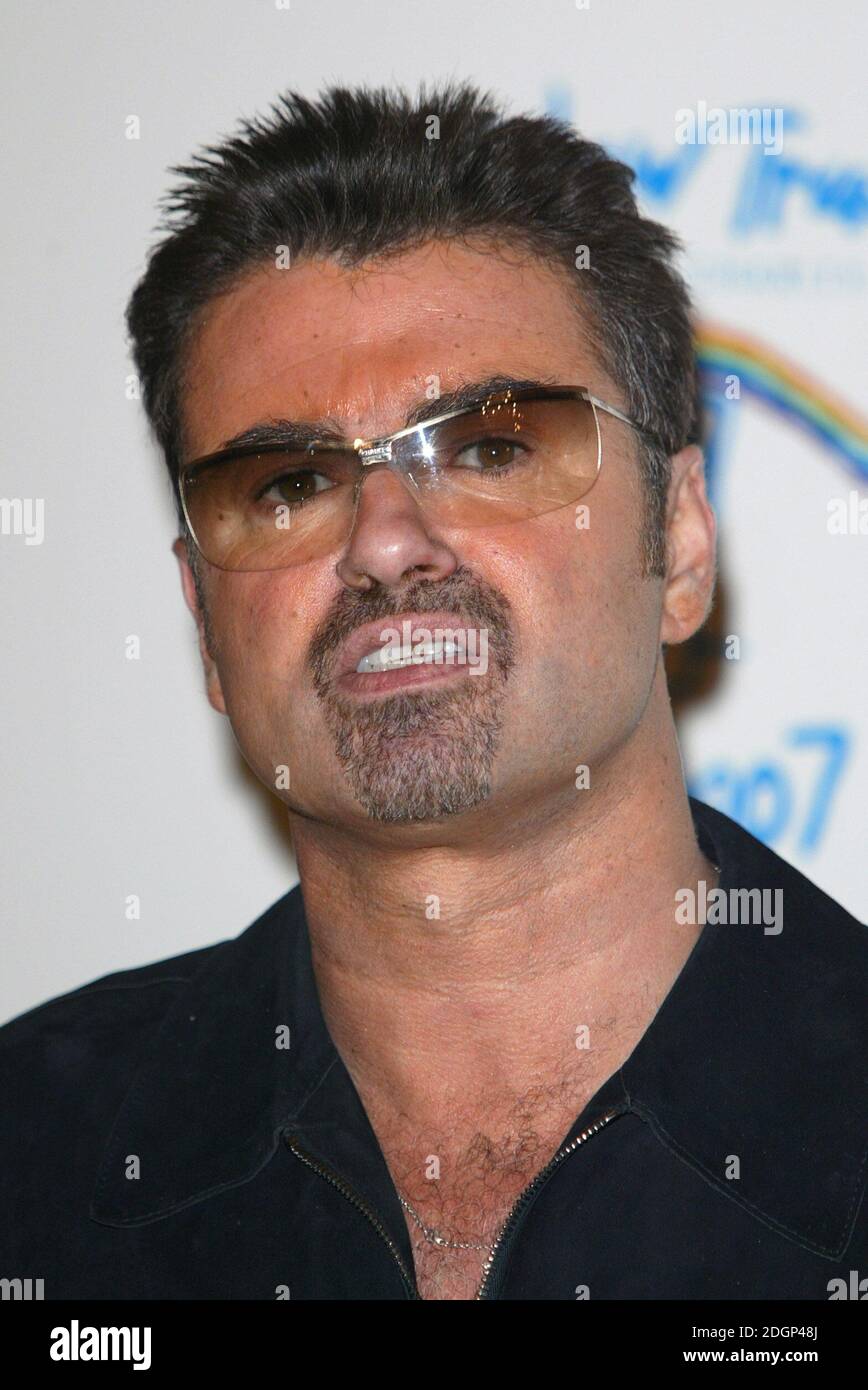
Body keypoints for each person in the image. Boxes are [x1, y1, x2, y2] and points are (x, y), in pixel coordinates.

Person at [2, 81, 865, 1302]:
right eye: (291, 481)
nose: (385, 542)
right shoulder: (30, 1158)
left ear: (676, 545)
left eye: (492, 448)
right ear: (203, 620)